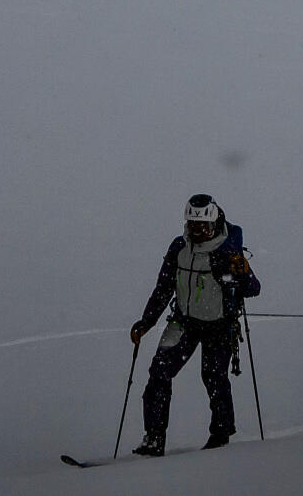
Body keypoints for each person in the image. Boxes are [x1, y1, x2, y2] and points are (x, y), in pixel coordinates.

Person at [128, 193, 260, 455]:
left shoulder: (226, 252)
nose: (197, 231)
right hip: (184, 322)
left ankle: (220, 436)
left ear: (213, 224)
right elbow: (164, 288)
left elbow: (253, 289)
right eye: (192, 225)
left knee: (213, 377)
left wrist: (242, 271)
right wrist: (146, 322)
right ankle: (154, 438)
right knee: (159, 373)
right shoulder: (179, 248)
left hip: (219, 326)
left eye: (202, 226)